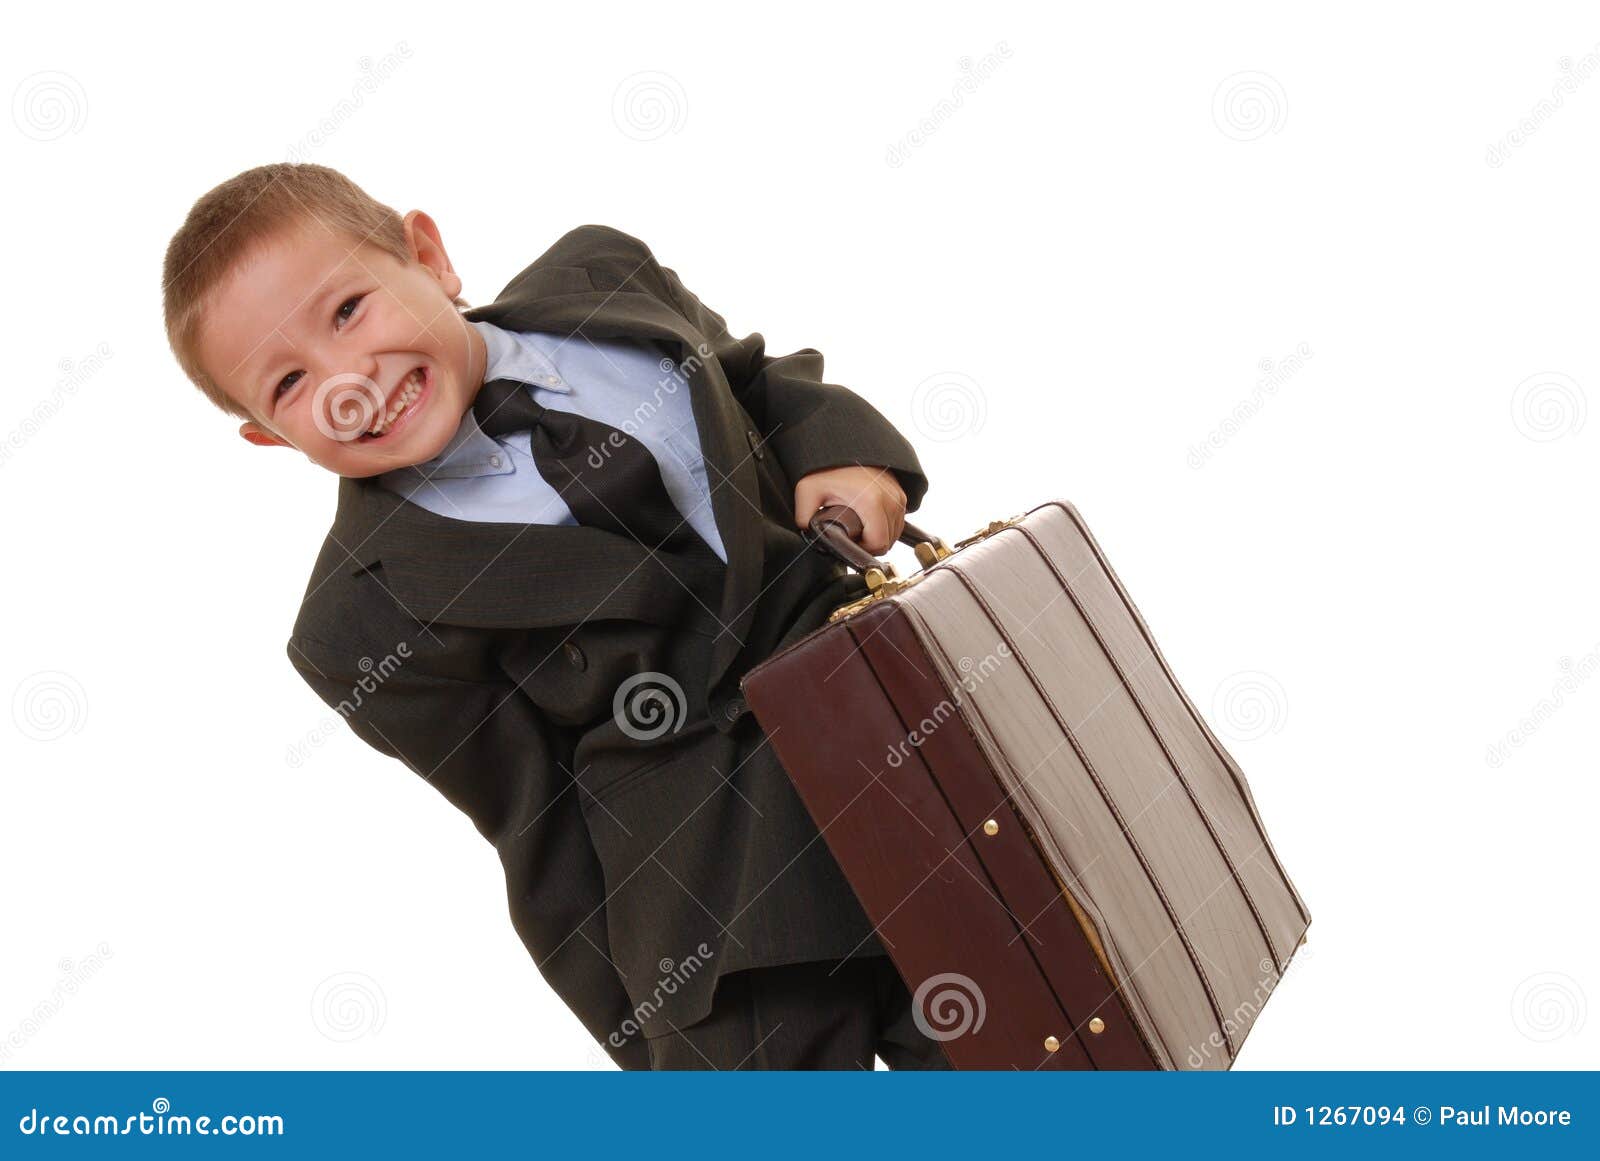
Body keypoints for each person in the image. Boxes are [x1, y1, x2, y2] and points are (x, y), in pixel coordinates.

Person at [161, 162, 950, 1070]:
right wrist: (647, 1038)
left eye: (348, 312)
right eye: (290, 384)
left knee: (1042, 1040)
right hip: (717, 917)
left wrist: (848, 457)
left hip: (903, 755)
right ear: (268, 436)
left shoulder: (603, 278)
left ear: (428, 254)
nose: (349, 380)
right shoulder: (362, 621)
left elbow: (758, 381)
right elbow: (539, 832)